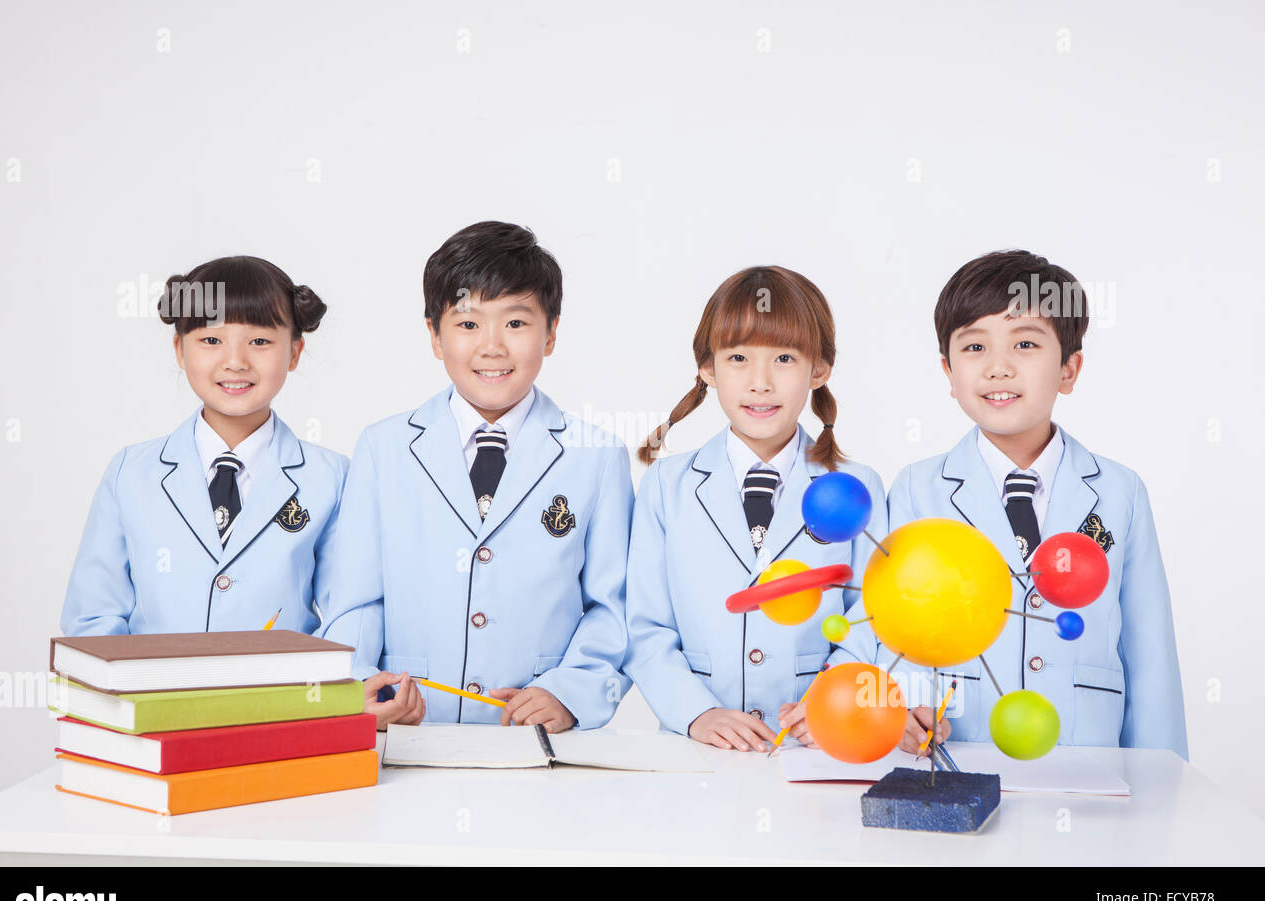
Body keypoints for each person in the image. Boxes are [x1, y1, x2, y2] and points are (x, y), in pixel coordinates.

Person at [318, 221, 633, 732]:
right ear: (434, 336)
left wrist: (569, 690)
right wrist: (361, 682)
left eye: (515, 324)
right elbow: (355, 598)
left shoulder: (595, 456)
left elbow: (612, 606)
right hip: (410, 732)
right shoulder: (384, 448)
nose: (491, 347)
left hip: (532, 736)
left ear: (550, 333)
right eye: (467, 325)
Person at [886, 250, 1188, 759]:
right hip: (955, 754)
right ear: (948, 372)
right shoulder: (918, 489)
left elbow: (1149, 650)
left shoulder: (1119, 491)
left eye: (1025, 344)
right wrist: (899, 709)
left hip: (1085, 757)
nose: (998, 367)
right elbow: (895, 630)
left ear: (1069, 370)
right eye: (975, 346)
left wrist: (1163, 779)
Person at [623, 265, 887, 752]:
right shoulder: (667, 485)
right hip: (697, 747)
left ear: (819, 368)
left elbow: (872, 616)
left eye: (784, 358)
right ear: (708, 369)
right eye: (738, 357)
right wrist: (695, 712)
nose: (760, 382)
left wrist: (834, 696)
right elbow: (644, 625)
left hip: (817, 742)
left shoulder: (857, 487)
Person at [61, 255, 348, 640]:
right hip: (156, 698)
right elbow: (92, 620)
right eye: (211, 340)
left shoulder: (333, 478)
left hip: (286, 700)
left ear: (294, 352)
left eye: (260, 341)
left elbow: (346, 614)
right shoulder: (131, 473)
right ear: (180, 349)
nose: (235, 362)